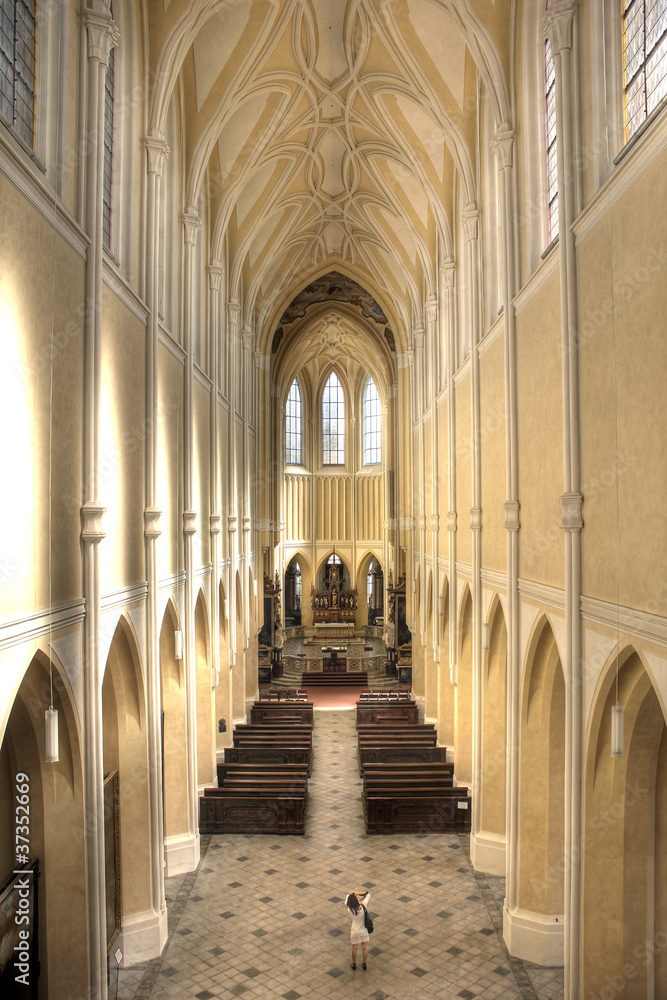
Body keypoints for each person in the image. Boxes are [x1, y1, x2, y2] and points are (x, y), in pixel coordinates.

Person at [344, 890, 370, 970]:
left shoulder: (350, 910)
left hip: (355, 930)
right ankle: (364, 964)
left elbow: (347, 898)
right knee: (364, 947)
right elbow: (368, 895)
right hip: (363, 929)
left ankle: (354, 964)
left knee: (354, 948)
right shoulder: (363, 906)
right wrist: (357, 893)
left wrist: (352, 895)